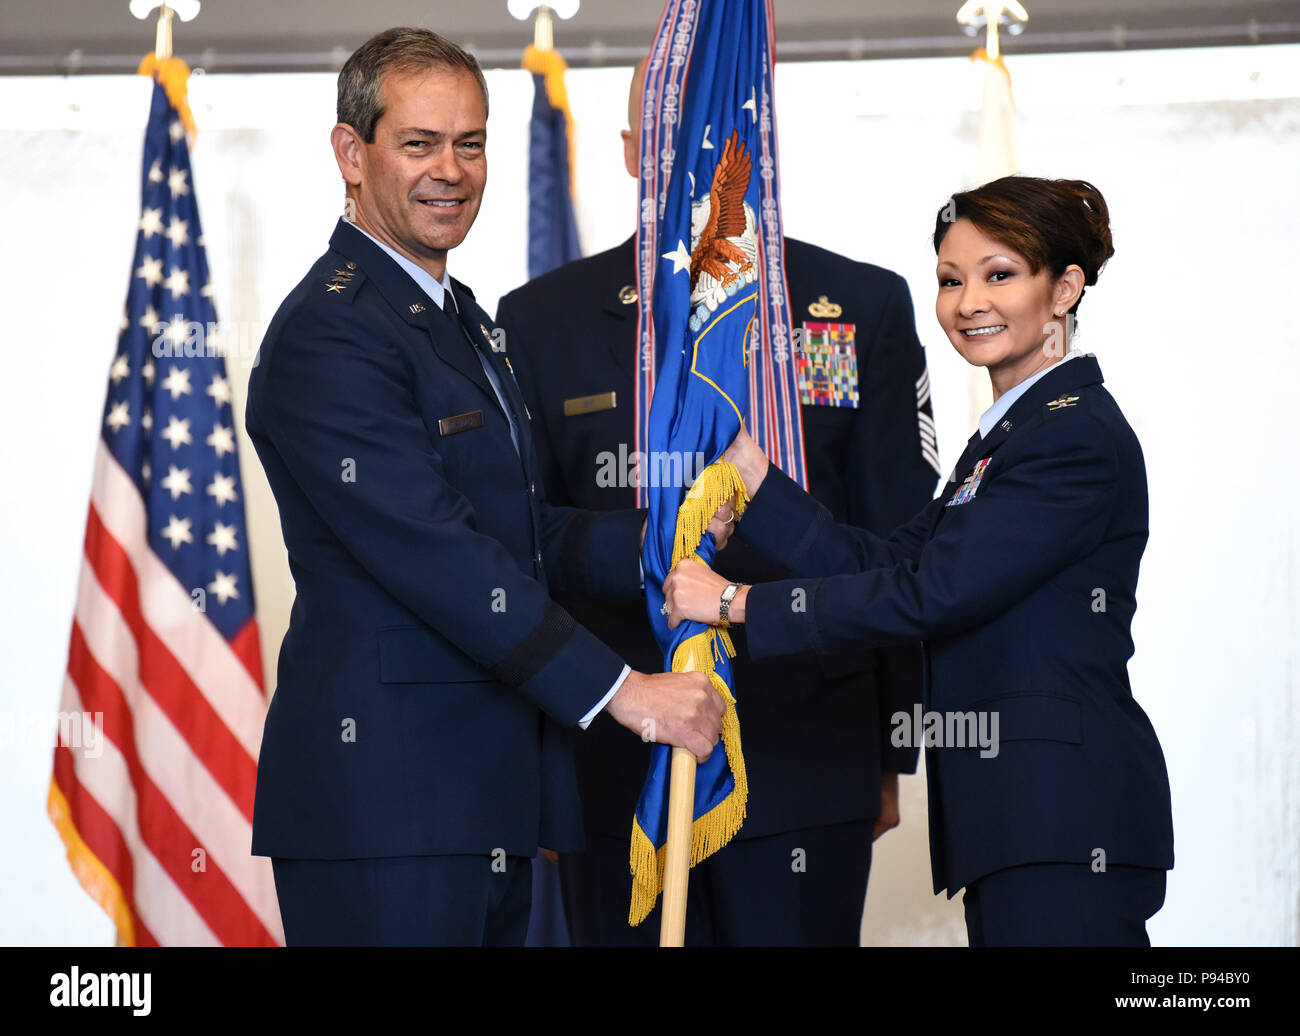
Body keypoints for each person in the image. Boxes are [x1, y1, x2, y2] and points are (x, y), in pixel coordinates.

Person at [244, 27, 729, 947]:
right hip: (387, 806)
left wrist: (673, 534)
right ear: (352, 153)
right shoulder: (332, 333)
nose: (451, 170)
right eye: (419, 143)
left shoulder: (455, 315)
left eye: (471, 143)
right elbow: (438, 554)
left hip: (483, 798)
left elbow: (520, 533)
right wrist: (623, 689)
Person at [494, 59, 942, 946]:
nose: (699, 158)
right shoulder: (541, 319)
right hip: (616, 763)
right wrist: (537, 766)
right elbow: (522, 550)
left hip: (809, 749)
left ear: (759, 151)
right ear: (630, 152)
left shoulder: (855, 306)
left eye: (722, 136)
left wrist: (892, 748)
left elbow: (901, 541)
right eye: (669, 138)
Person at [663, 176, 1175, 947]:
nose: (969, 301)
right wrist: (755, 475)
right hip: (1019, 824)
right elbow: (885, 559)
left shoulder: (1070, 436)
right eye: (950, 280)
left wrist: (734, 604)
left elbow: (928, 595)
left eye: (999, 275)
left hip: (1063, 822)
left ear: (1064, 288)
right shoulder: (1010, 433)